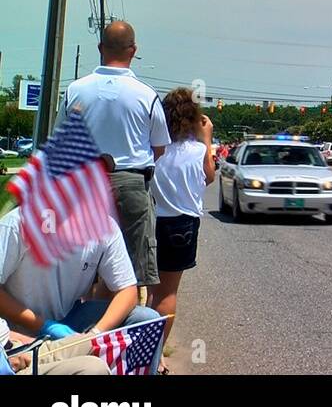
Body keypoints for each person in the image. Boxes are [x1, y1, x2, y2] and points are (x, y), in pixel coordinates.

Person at [57, 21, 171, 290]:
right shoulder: (147, 95)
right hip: (132, 185)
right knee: (130, 274)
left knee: (82, 266)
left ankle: (83, 324)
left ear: (100, 48)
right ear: (133, 50)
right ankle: (119, 324)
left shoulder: (75, 90)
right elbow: (159, 148)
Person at [0, 207, 162, 373]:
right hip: (16, 330)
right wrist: (44, 325)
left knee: (147, 320)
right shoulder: (17, 223)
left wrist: (95, 334)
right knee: (91, 369)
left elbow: (127, 291)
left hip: (72, 319)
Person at [149, 88, 215, 371]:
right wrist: (207, 138)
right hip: (183, 225)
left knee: (146, 290)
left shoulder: (155, 150)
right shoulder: (198, 151)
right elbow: (209, 178)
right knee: (167, 294)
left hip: (152, 220)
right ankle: (156, 354)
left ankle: (139, 348)